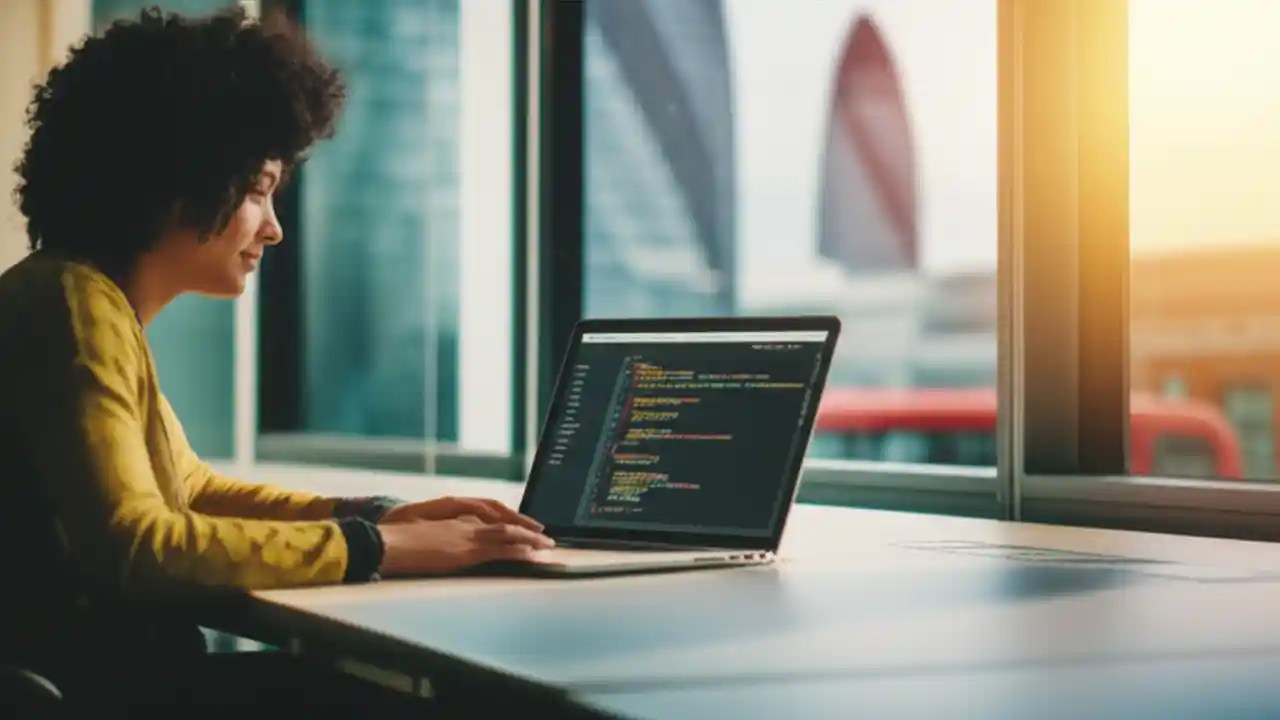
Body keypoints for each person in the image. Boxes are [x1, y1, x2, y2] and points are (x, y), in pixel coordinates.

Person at [0, 6, 553, 714]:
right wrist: (376, 548)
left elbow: (191, 491)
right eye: (259, 190)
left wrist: (384, 516)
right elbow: (137, 546)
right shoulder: (74, 306)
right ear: (180, 179)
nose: (275, 226)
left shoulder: (77, 298)